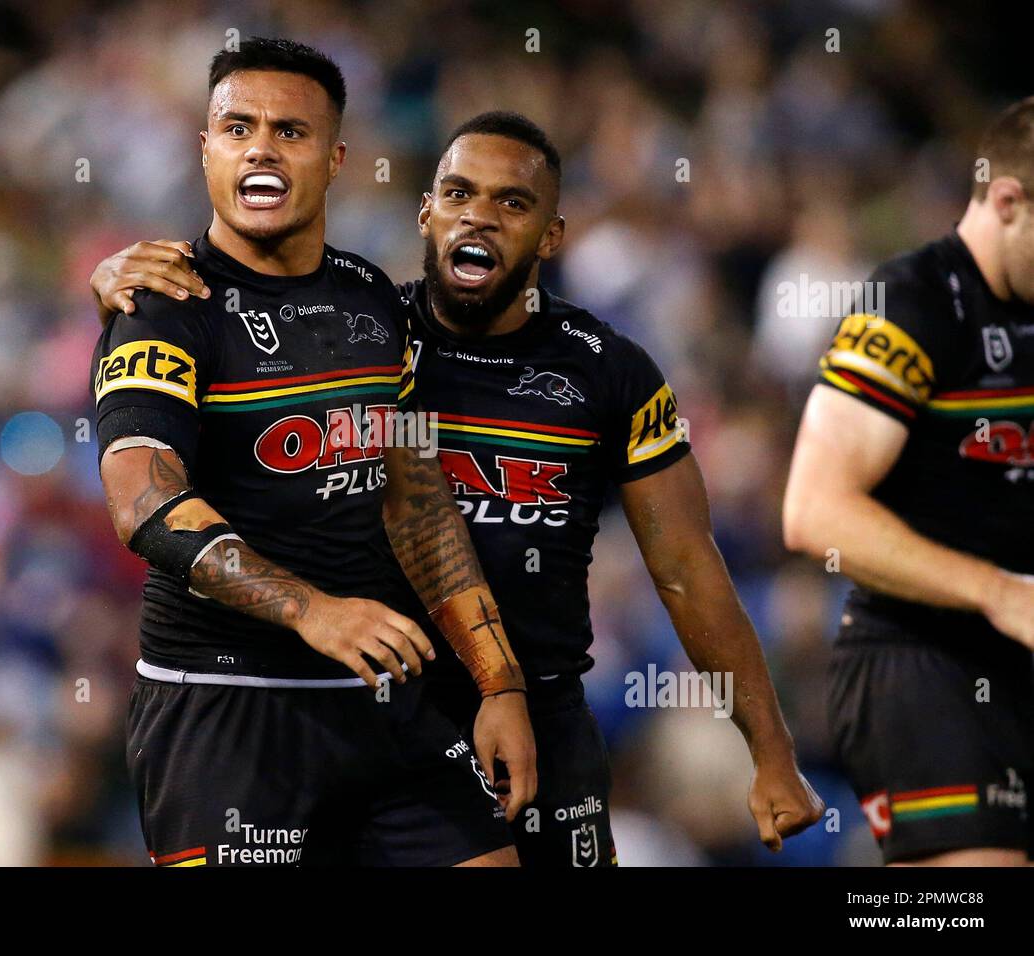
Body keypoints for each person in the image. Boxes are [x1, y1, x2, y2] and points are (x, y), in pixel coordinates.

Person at [93, 109, 823, 867]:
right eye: (458, 193)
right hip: (381, 699)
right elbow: (189, 385)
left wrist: (769, 750)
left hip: (538, 707)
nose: (479, 214)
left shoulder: (612, 372)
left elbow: (686, 570)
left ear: (551, 236)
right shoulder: (362, 329)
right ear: (426, 213)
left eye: (512, 203)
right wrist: (115, 290)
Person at [93, 38, 536, 867]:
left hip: (381, 698)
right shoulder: (162, 302)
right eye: (237, 128)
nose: (260, 147)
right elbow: (141, 501)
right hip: (223, 706)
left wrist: (497, 679)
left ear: (334, 160)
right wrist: (311, 611)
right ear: (207, 151)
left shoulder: (371, 297)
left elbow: (418, 498)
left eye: (290, 133)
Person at [784, 97, 1034, 865]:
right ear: (1008, 201)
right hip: (921, 661)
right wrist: (1001, 591)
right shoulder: (911, 304)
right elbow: (813, 513)